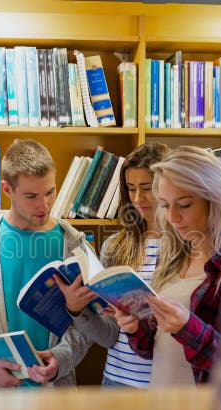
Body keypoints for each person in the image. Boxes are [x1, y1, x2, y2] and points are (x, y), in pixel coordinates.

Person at [0, 139, 92, 388]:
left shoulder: (75, 245)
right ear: (7, 189)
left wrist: (62, 357)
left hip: (56, 394)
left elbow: (88, 320)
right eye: (31, 196)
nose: (44, 205)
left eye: (50, 192)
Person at [114, 146, 221, 385]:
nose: (172, 217)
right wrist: (135, 329)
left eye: (184, 204)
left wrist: (188, 327)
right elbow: (155, 347)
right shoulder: (171, 255)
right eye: (164, 205)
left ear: (215, 200)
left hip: (203, 409)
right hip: (161, 402)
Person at [56, 143, 167, 388]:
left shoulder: (187, 248)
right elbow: (109, 336)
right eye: (131, 189)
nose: (138, 198)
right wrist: (77, 310)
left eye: (147, 188)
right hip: (117, 381)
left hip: (165, 385)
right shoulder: (115, 247)